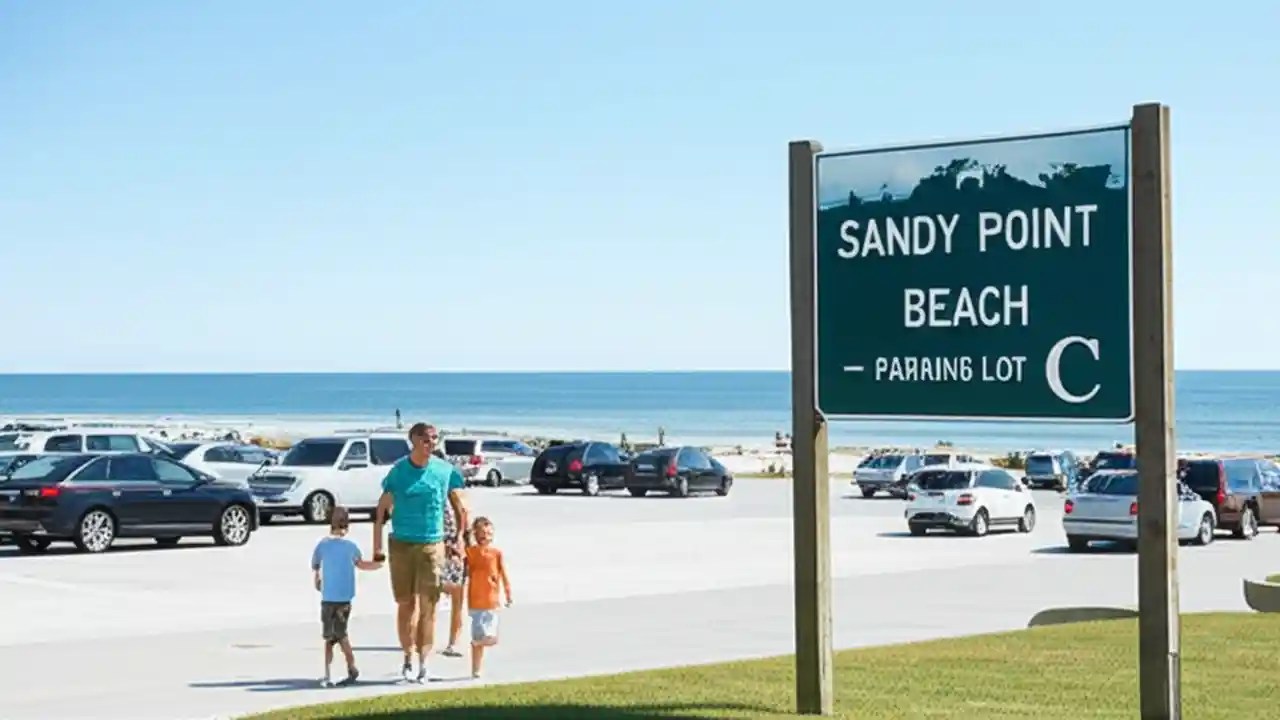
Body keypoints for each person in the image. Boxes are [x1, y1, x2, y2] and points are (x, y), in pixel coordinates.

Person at [372, 422, 469, 683]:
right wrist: (377, 545)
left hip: (432, 545)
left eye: (435, 439)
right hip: (401, 544)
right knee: (406, 604)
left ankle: (425, 664)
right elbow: (381, 509)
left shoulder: (445, 471)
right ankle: (407, 657)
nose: (431, 443)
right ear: (413, 440)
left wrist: (459, 538)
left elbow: (462, 508)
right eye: (426, 439)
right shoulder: (399, 471)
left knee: (429, 606)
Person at [310, 506, 382, 687]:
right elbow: (361, 564)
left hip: (331, 597)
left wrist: (317, 578)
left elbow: (316, 565)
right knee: (338, 636)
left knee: (332, 637)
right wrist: (377, 564)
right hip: (340, 597)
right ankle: (343, 668)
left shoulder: (324, 545)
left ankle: (336, 671)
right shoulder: (349, 546)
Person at [464, 516, 512, 679]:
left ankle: (477, 643)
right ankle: (476, 669)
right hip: (475, 601)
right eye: (481, 533)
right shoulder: (471, 552)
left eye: (488, 533)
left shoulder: (496, 553)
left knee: (490, 638)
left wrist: (507, 592)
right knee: (479, 638)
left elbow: (502, 573)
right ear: (475, 535)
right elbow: (465, 571)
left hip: (491, 601)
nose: (484, 536)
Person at [439, 500, 467, 657]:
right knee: (429, 597)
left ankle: (454, 641)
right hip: (434, 547)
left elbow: (462, 512)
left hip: (452, 549)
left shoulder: (451, 488)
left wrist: (459, 538)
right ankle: (423, 639)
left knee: (457, 595)